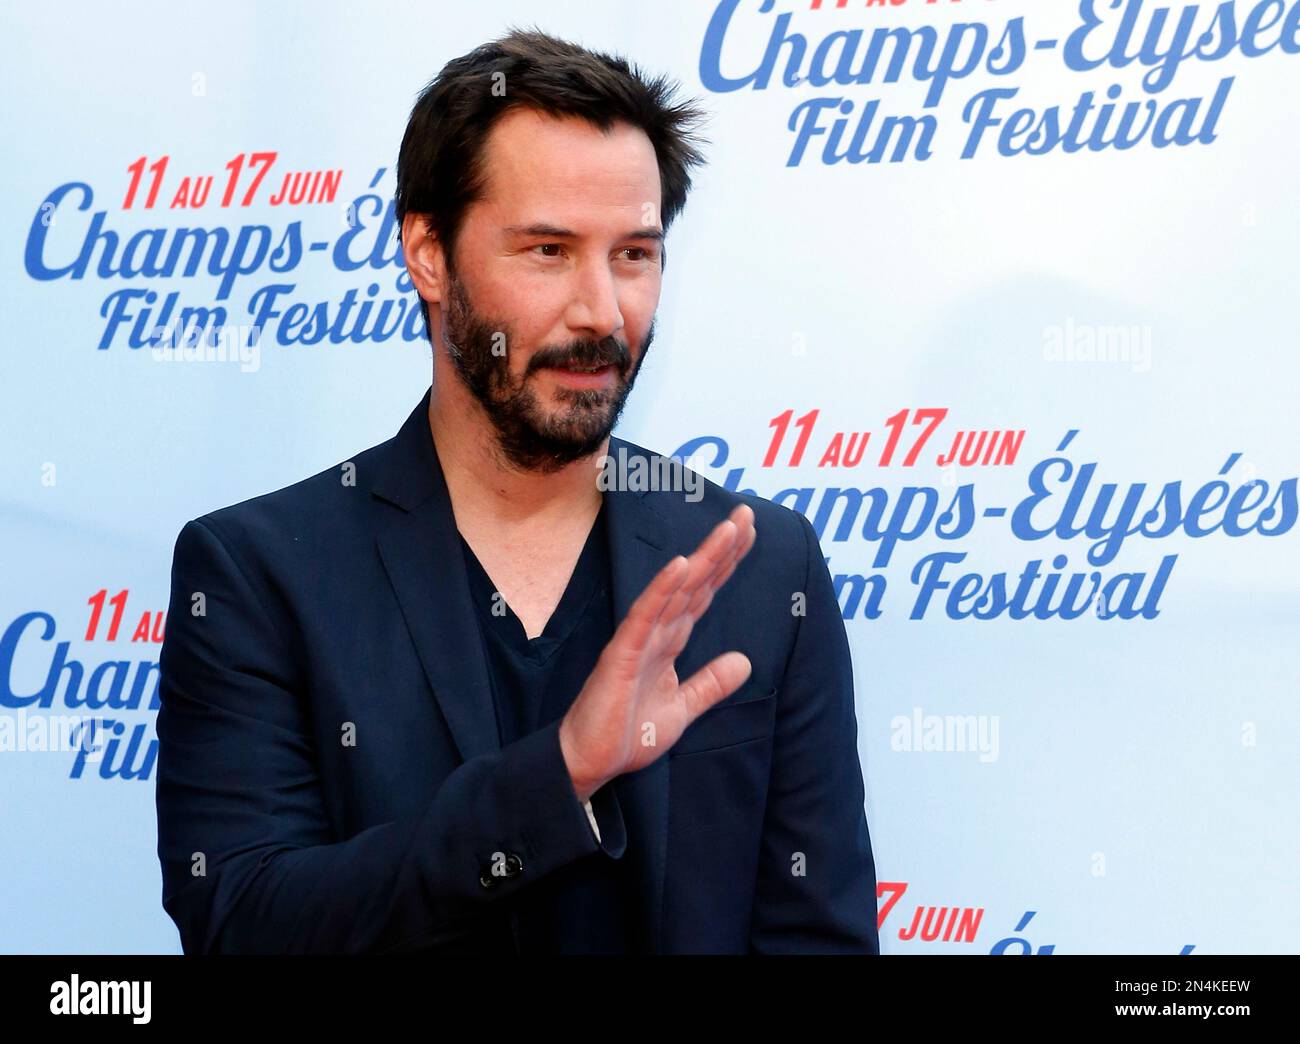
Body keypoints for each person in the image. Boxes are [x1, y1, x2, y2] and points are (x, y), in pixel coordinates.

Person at [155, 26, 879, 954]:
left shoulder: (758, 565)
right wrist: (561, 777)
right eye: (547, 250)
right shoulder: (261, 573)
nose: (602, 312)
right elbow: (244, 923)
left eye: (634, 255)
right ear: (428, 252)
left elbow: (817, 937)